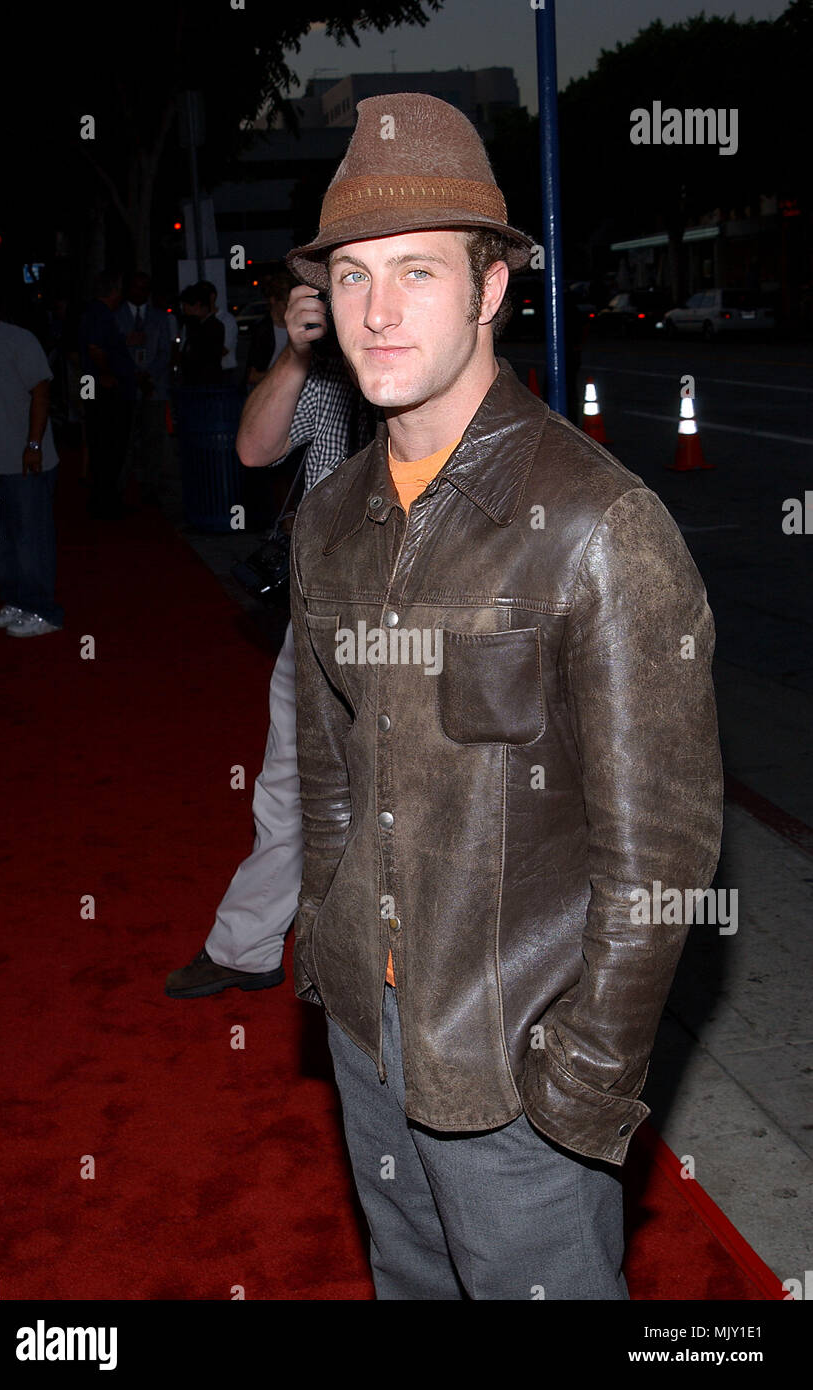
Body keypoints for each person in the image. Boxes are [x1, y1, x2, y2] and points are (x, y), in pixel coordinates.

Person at [285, 92, 725, 1301]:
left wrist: (578, 1081)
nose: (378, 310)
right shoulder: (329, 519)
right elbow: (328, 763)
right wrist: (330, 956)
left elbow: (666, 848)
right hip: (369, 1040)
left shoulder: (598, 525)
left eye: (418, 272)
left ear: (489, 290)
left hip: (515, 1075)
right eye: (357, 274)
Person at [165, 285, 377, 999]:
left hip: (417, 630)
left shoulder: (444, 379)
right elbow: (253, 450)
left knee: (408, 800)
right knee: (285, 789)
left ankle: (397, 976)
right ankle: (244, 947)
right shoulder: (329, 377)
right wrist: (294, 351)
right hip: (317, 617)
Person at [0, 275, 64, 635]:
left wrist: (34, 444)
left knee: (30, 540)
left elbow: (41, 392)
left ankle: (44, 612)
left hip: (25, 462)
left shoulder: (18, 340)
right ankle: (16, 600)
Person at [79, 271, 137, 519]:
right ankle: (105, 500)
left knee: (103, 443)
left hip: (97, 386)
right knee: (109, 444)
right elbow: (94, 347)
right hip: (107, 391)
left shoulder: (95, 313)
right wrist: (106, 373)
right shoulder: (99, 314)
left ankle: (104, 497)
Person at [115, 271, 173, 504]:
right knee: (125, 440)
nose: (141, 292)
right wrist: (134, 375)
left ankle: (152, 488)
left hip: (154, 388)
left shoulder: (159, 317)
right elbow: (112, 352)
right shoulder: (116, 316)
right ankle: (123, 487)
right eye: (137, 288)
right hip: (127, 389)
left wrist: (149, 376)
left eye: (145, 288)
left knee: (154, 439)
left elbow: (165, 352)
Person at [245, 269, 297, 387]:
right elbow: (252, 376)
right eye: (285, 304)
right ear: (273, 301)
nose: (289, 309)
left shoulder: (297, 328)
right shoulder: (263, 330)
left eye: (292, 305)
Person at [178, 283, 224, 385]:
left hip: (205, 383)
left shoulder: (213, 327)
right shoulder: (195, 325)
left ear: (197, 305)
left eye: (185, 305)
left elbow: (203, 358)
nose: (184, 309)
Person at [196, 280, 239, 384]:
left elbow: (224, 350)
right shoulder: (195, 321)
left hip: (224, 373)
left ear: (212, 297)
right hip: (201, 373)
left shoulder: (226, 319)